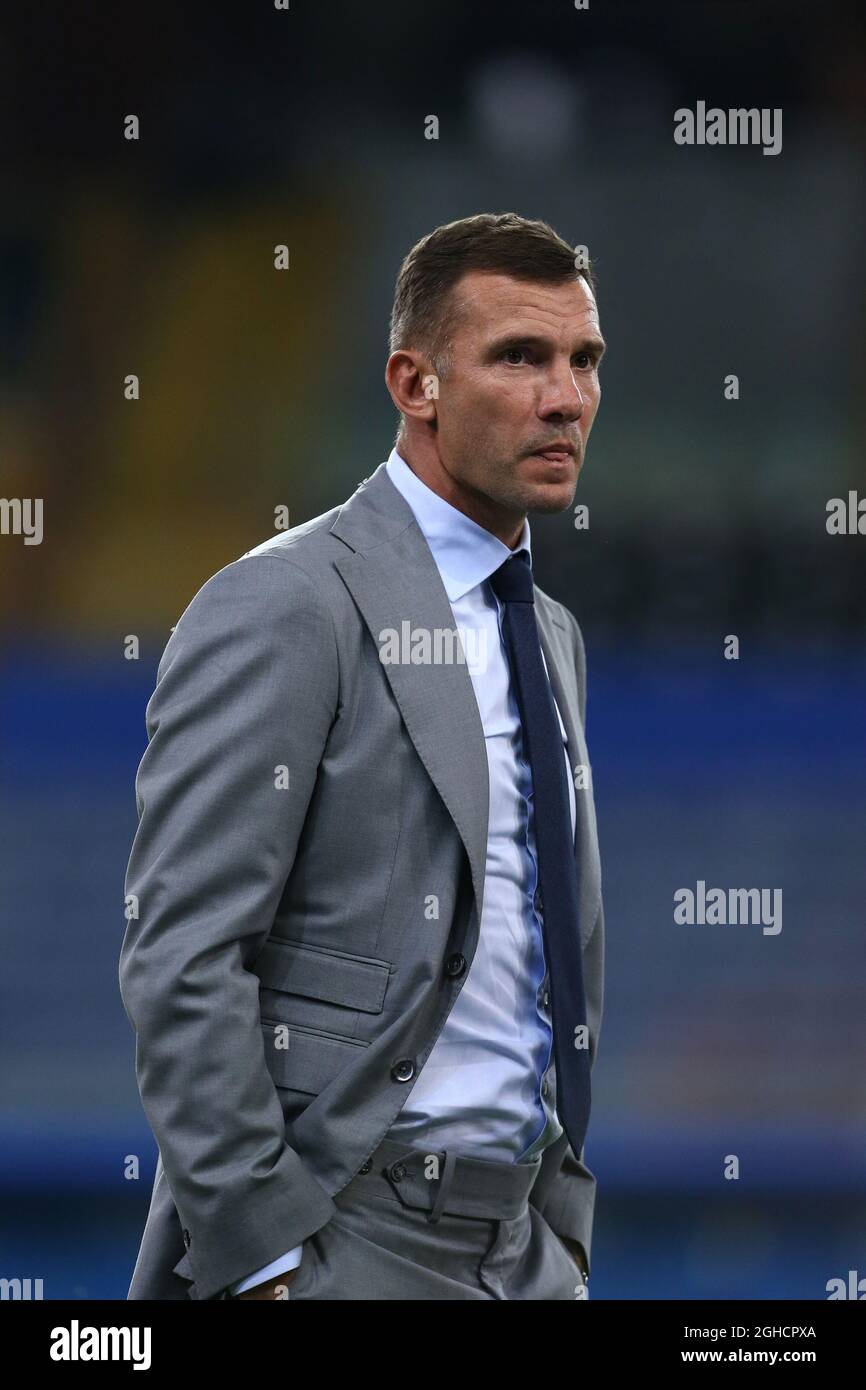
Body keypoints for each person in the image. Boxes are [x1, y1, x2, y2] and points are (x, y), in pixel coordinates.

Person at [120, 211, 606, 1301]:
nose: (564, 397)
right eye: (518, 357)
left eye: (581, 360)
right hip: (347, 1236)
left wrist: (560, 1233)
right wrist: (267, 1259)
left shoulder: (550, 634)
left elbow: (549, 948)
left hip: (521, 1245)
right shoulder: (286, 601)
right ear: (413, 382)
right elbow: (183, 953)